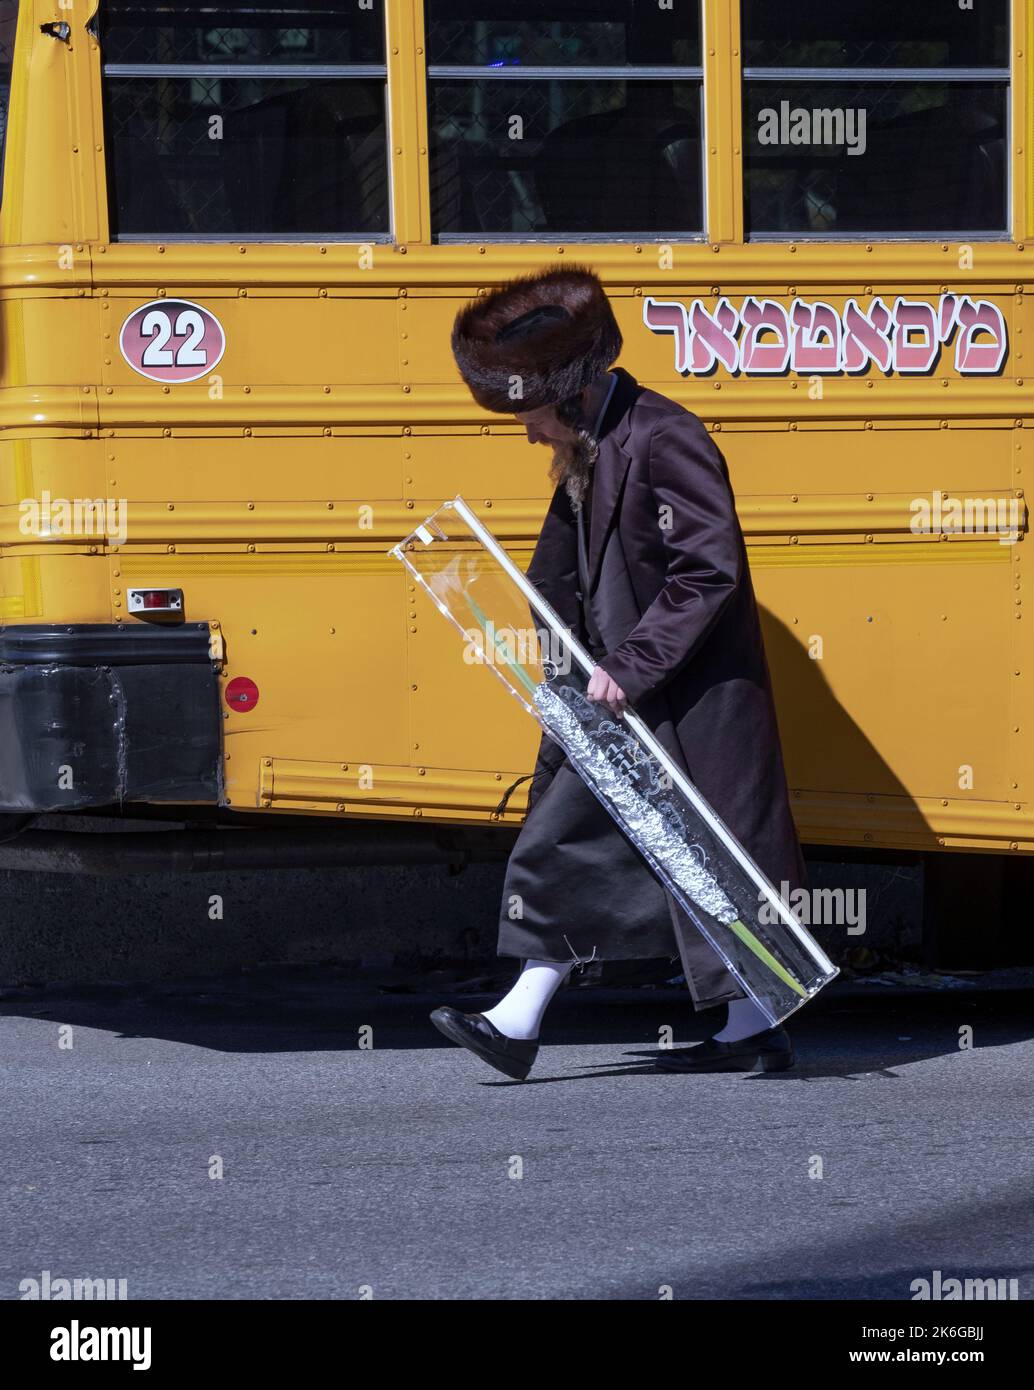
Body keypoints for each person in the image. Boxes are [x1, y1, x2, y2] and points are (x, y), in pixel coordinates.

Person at [430, 263, 808, 1080]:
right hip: (622, 703)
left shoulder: (666, 437)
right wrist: (559, 674)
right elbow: (559, 580)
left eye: (525, 414)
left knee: (579, 842)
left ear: (563, 395)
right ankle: (747, 1025)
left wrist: (627, 669)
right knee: (647, 856)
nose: (525, 432)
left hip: (684, 706)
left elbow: (708, 570)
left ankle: (519, 1019)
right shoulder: (592, 447)